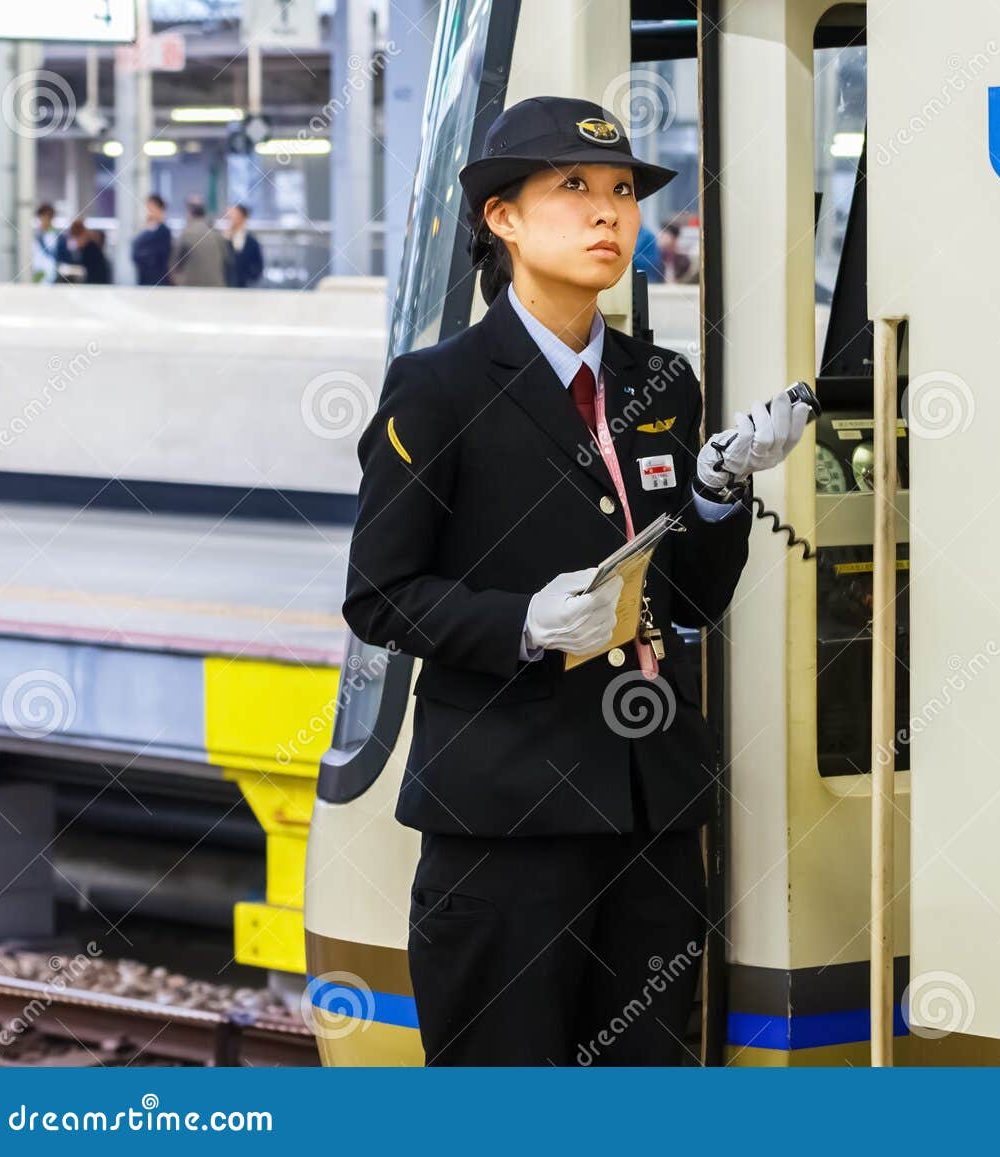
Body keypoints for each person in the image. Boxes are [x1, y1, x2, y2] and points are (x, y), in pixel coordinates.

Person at [341, 95, 812, 1066]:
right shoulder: (440, 389)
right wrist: (522, 622)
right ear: (501, 218)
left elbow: (686, 601)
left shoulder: (662, 383)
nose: (609, 213)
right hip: (506, 819)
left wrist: (718, 493)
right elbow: (379, 594)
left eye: (622, 192)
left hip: (651, 812)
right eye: (574, 188)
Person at [170, 196, 228, 286]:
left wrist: (178, 281)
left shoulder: (186, 234)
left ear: (189, 213)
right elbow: (227, 262)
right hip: (216, 288)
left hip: (191, 288)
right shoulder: (216, 234)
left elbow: (174, 264)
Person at [131, 194, 172, 287]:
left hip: (157, 281)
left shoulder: (163, 231)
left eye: (150, 208)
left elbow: (160, 257)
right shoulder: (147, 229)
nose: (148, 212)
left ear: (159, 209)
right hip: (145, 279)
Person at [224, 203, 265, 288]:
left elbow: (258, 267)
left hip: (245, 287)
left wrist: (248, 279)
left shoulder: (252, 242)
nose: (229, 219)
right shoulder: (222, 241)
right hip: (225, 286)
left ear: (243, 218)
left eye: (233, 215)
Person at [31, 204, 59, 284]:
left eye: (49, 217)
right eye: (43, 217)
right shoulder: (34, 236)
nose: (46, 220)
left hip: (53, 277)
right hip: (36, 275)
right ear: (39, 217)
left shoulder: (57, 236)